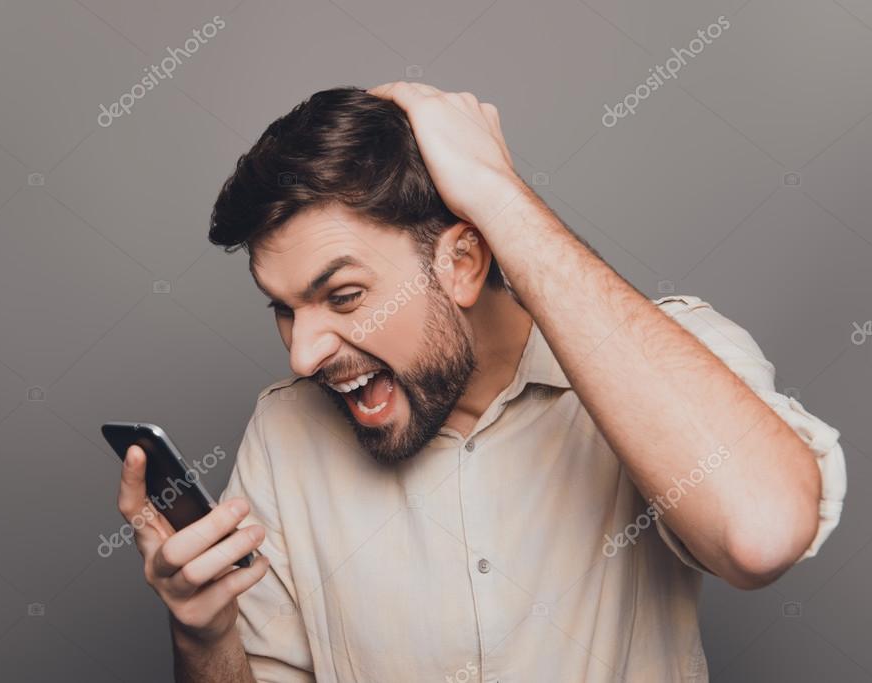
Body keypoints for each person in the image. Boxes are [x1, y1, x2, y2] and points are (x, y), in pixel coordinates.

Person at [116, 84, 846, 682]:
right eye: (283, 308)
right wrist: (204, 634)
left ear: (462, 263)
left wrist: (496, 195)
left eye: (341, 297)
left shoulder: (664, 362)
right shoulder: (286, 432)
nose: (303, 354)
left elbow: (760, 533)